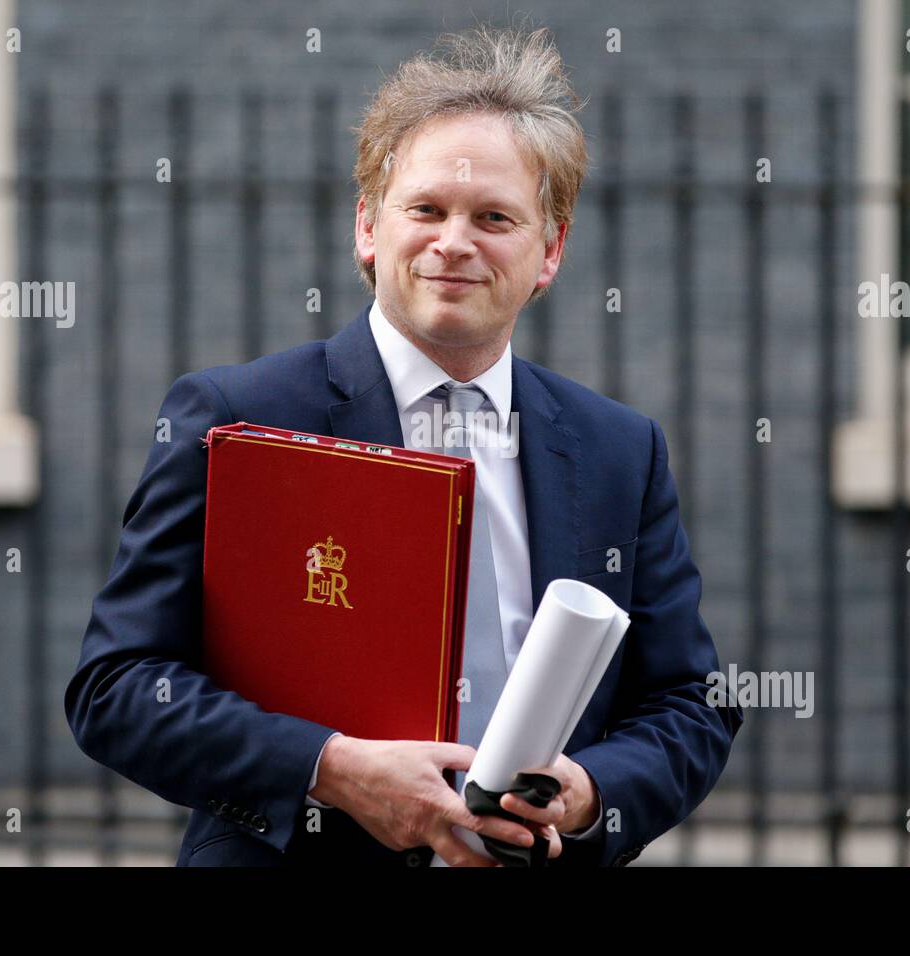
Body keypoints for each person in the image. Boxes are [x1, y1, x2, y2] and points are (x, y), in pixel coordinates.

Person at [65, 23, 742, 868]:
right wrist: (333, 769)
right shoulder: (239, 415)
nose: (453, 242)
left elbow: (692, 701)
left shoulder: (619, 449)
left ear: (550, 251)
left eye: (494, 217)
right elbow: (116, 688)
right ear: (368, 229)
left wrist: (589, 794)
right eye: (425, 208)